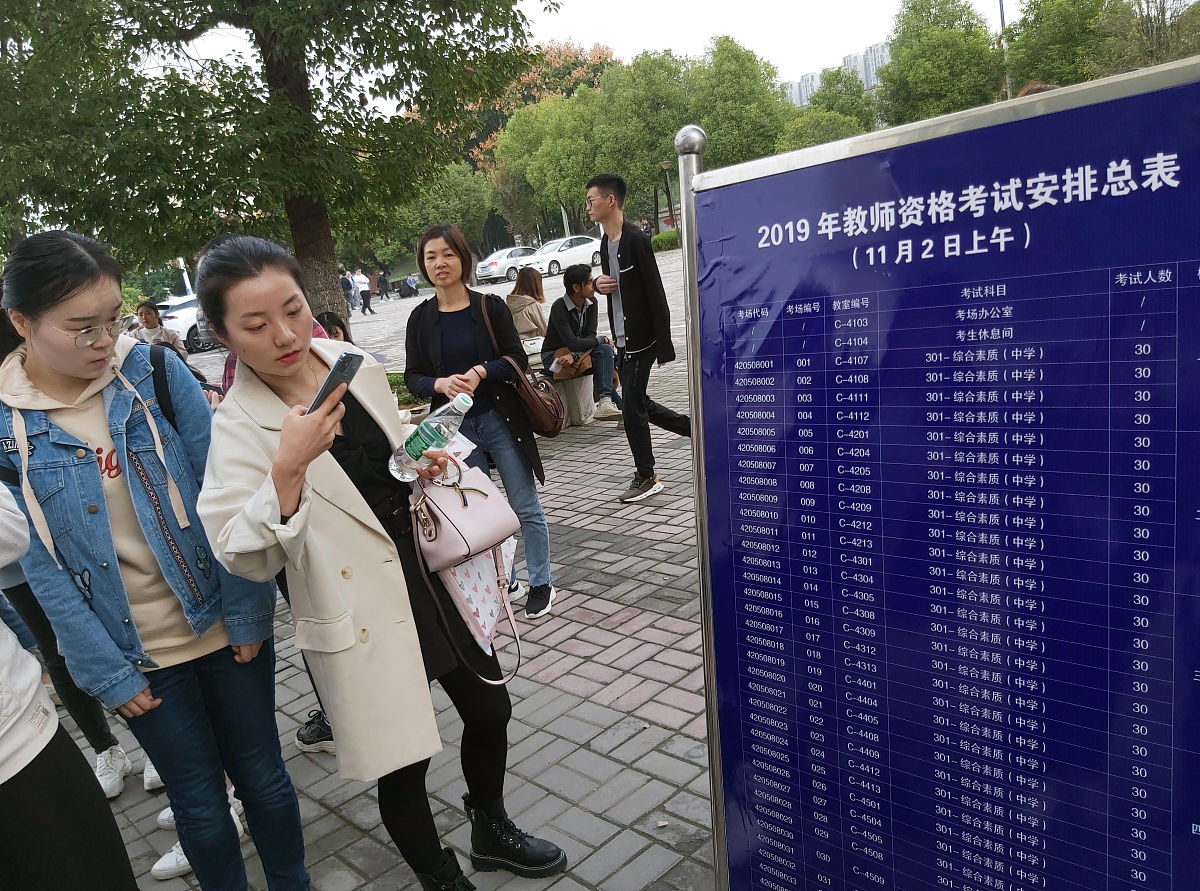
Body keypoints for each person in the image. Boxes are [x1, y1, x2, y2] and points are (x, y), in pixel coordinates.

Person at [195, 235, 567, 891]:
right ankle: (440, 876)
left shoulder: (347, 362)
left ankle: (489, 827)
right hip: (354, 604)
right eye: (255, 324)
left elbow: (387, 460)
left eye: (292, 308)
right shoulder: (238, 425)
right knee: (403, 757)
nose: (284, 334)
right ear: (224, 335)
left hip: (425, 569)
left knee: (490, 710)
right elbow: (237, 550)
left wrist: (417, 461)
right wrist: (286, 469)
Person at [0, 230, 309, 891]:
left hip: (225, 626)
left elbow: (221, 493)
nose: (102, 341)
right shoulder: (8, 427)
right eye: (80, 326)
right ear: (21, 322)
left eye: (111, 319)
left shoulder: (155, 373)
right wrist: (105, 672)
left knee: (264, 778)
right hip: (136, 657)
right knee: (199, 801)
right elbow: (41, 572)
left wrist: (249, 613)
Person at [405, 224, 558, 620]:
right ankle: (504, 578)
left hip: (500, 420)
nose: (440, 263)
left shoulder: (490, 307)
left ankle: (541, 582)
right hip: (455, 432)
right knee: (478, 512)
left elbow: (516, 359)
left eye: (448, 254)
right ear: (424, 265)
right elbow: (412, 377)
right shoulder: (420, 319)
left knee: (524, 505)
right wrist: (438, 382)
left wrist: (480, 372)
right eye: (431, 256)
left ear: (463, 258)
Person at [0, 484, 140, 890]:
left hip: (17, 739)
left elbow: (11, 528)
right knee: (57, 652)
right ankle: (107, 748)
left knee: (91, 642)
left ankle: (172, 767)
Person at [587, 173, 690, 502]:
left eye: (592, 200)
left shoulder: (635, 240)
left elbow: (656, 293)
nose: (588, 206)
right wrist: (595, 286)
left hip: (643, 341)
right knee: (639, 402)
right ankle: (696, 431)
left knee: (632, 408)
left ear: (610, 201)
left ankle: (647, 475)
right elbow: (609, 287)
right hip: (622, 339)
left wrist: (664, 343)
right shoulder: (605, 242)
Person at [1, 559, 137, 798]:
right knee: (57, 658)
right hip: (14, 566)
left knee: (115, 634)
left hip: (72, 542)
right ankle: (106, 748)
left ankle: (153, 747)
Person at [541, 264, 621, 420]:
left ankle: (605, 401)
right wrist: (601, 339)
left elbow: (590, 336)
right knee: (603, 351)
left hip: (579, 355)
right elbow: (574, 342)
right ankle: (623, 411)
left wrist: (576, 355)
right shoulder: (559, 307)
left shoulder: (592, 302)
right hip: (555, 359)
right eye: (590, 282)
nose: (594, 285)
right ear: (576, 287)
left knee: (605, 351)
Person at [505, 267, 548, 340]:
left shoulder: (510, 303)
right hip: (533, 345)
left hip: (516, 343)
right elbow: (544, 330)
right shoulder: (532, 305)